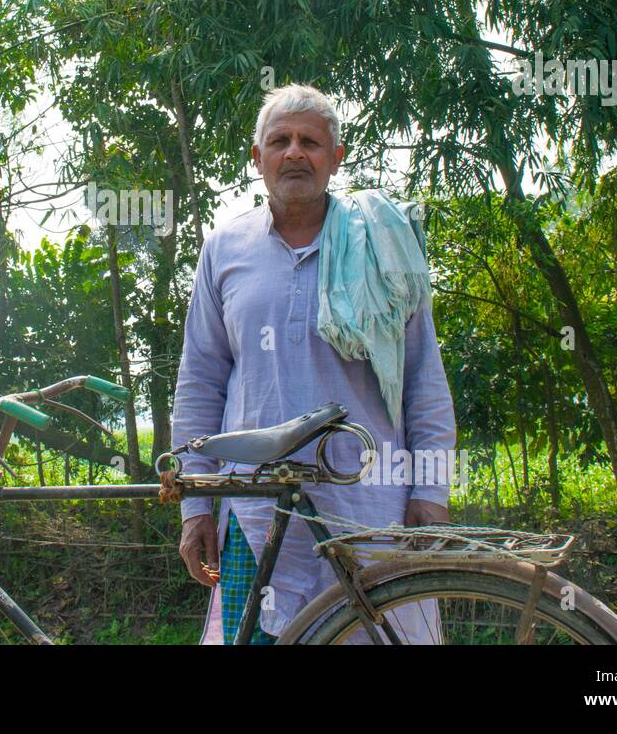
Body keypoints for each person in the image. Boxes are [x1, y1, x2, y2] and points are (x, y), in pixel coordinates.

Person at [171, 84, 457, 644]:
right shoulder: (225, 249)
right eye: (280, 141)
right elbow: (201, 381)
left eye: (311, 142)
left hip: (369, 505)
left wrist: (431, 492)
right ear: (258, 158)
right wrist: (195, 505)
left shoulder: (383, 245)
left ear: (336, 157)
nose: (294, 152)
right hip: (255, 510)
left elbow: (424, 376)